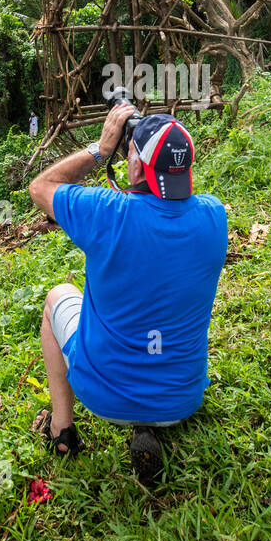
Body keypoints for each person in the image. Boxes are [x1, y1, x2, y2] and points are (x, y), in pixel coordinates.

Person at [28, 103, 228, 482]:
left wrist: (101, 149)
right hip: (182, 399)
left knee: (58, 295)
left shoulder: (106, 212)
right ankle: (147, 425)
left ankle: (61, 430)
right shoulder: (214, 216)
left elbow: (40, 188)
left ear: (134, 167)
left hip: (103, 396)